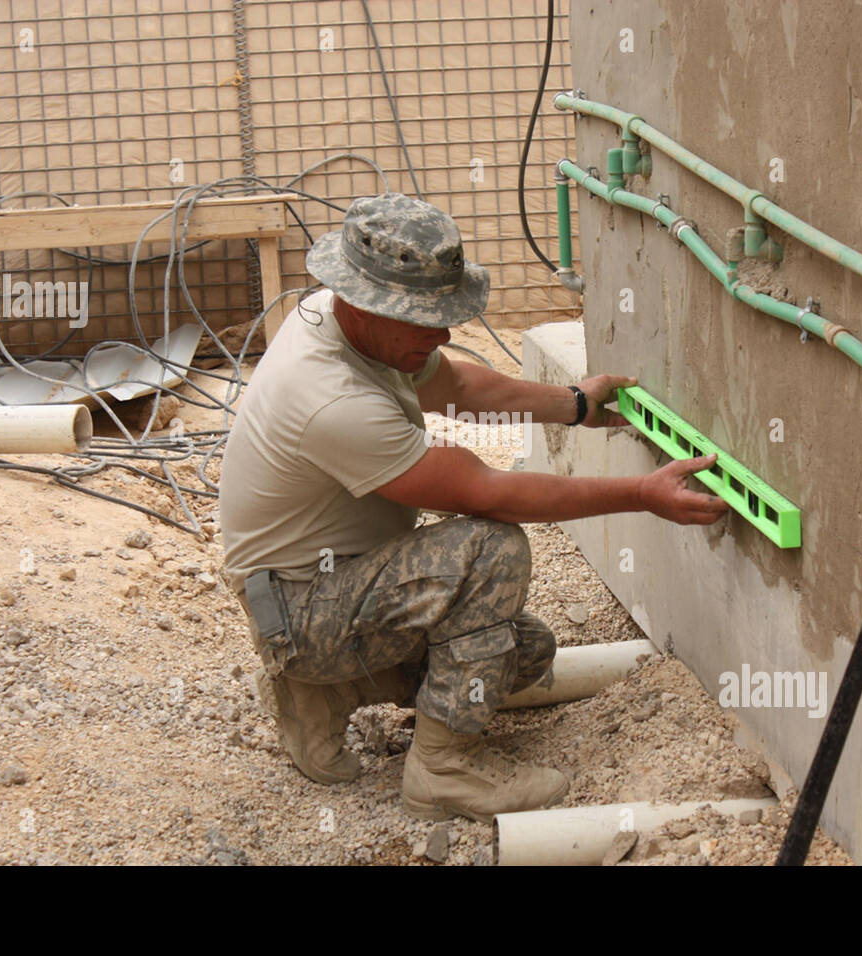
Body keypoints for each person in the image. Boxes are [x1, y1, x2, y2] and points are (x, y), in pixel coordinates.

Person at [220, 193, 728, 823]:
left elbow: (458, 385)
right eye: (424, 318)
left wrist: (572, 402)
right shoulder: (331, 399)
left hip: (321, 585)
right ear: (363, 301)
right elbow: (485, 491)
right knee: (492, 550)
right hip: (299, 609)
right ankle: (441, 773)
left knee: (524, 653)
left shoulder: (346, 323)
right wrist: (640, 495)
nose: (441, 332)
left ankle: (324, 692)